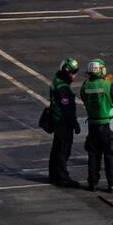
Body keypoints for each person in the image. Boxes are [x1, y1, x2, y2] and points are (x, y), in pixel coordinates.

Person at [80, 59, 113, 193]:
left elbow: (84, 98)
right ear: (101, 70)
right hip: (109, 124)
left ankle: (92, 183)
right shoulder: (108, 85)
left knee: (93, 154)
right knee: (110, 154)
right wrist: (108, 83)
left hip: (93, 124)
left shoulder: (85, 85)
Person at [47, 57, 82, 187]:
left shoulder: (56, 81)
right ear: (66, 71)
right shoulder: (63, 88)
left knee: (56, 149)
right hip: (63, 123)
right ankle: (62, 178)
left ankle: (53, 175)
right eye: (73, 72)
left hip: (56, 119)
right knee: (63, 150)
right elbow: (67, 110)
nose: (74, 75)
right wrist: (75, 124)